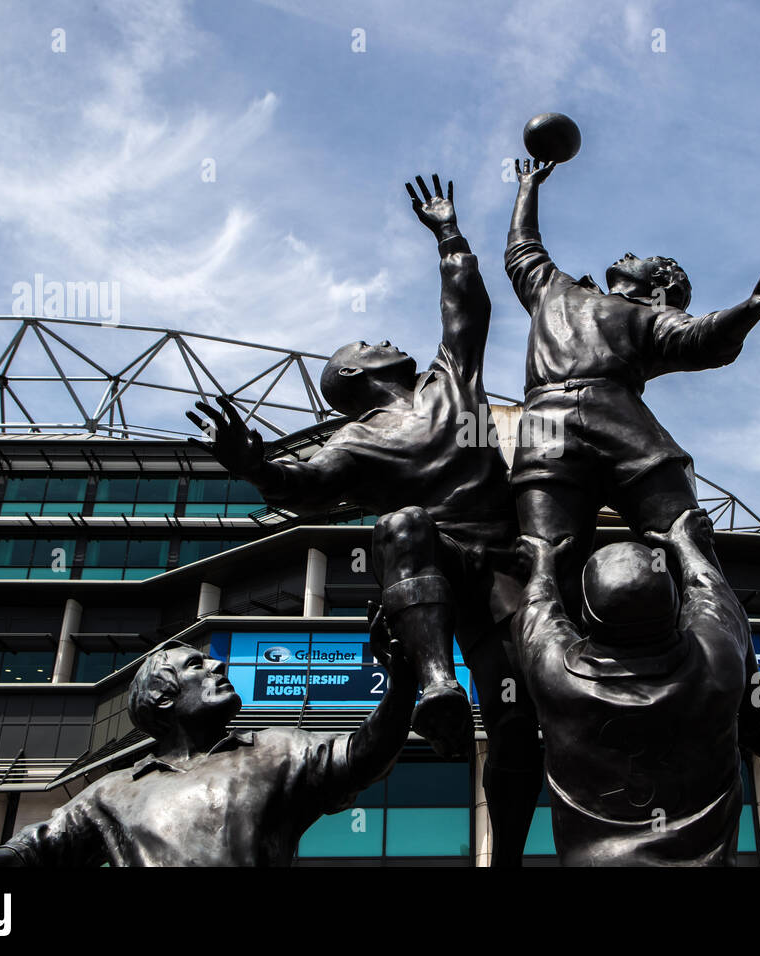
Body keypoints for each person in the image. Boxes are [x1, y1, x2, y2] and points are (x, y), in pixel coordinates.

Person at [185, 174, 543, 866]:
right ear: (355, 374)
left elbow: (465, 309)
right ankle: (438, 685)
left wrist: (448, 235)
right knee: (399, 523)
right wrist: (253, 464)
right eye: (370, 342)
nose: (385, 338)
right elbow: (306, 487)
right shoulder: (354, 442)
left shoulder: (449, 383)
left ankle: (508, 858)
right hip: (444, 577)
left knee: (514, 721)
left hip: (510, 565)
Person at [504, 158, 760, 798]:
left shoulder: (650, 319)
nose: (628, 254)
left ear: (655, 290)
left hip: (619, 420)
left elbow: (708, 339)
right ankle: (548, 719)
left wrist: (756, 304)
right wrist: (528, 185)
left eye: (647, 259)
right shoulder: (556, 290)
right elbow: (521, 248)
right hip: (549, 428)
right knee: (541, 565)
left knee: (694, 553)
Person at [0, 639, 415, 866]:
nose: (217, 666)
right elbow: (30, 854)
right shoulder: (113, 792)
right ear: (163, 697)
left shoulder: (277, 749)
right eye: (197, 665)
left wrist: (403, 679)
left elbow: (365, 753)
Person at [514, 509, 757, 865]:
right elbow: (712, 592)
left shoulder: (556, 675)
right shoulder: (718, 660)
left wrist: (542, 562)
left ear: (586, 615)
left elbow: (537, 608)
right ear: (673, 606)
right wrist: (686, 543)